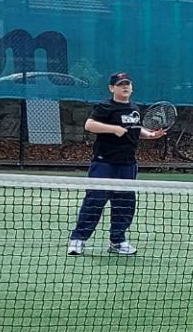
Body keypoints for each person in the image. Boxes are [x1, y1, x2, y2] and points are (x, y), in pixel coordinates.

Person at [67, 73, 167, 256]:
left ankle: (118, 241)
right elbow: (89, 125)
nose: (125, 87)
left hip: (127, 164)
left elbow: (135, 129)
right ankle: (78, 239)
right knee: (95, 201)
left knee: (124, 203)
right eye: (120, 85)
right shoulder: (105, 107)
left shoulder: (134, 109)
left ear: (132, 87)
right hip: (104, 162)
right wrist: (113, 129)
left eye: (127, 84)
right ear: (112, 88)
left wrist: (151, 135)